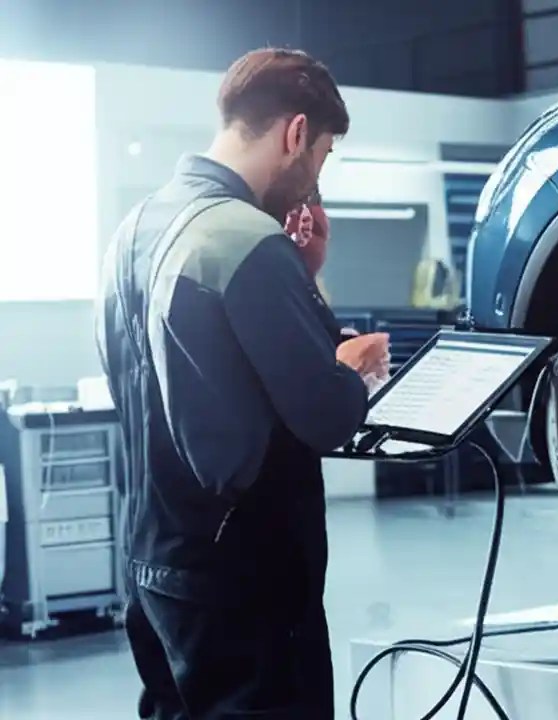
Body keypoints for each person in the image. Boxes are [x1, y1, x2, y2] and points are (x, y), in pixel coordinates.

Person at [94, 48, 389, 719]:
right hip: (246, 575)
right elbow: (323, 415)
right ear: (295, 133)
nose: (317, 173)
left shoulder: (130, 231)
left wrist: (302, 265)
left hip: (154, 558)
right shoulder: (246, 239)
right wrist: (350, 367)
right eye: (323, 152)